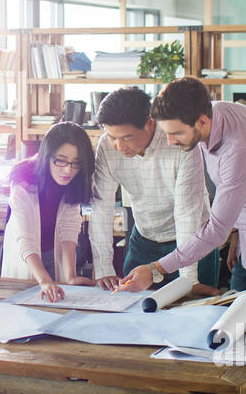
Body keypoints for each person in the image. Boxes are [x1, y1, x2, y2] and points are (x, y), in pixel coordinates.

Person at [119, 78, 246, 293]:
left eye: (176, 133)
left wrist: (156, 269)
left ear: (202, 121)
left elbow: (215, 232)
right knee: (234, 317)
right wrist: (238, 232)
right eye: (167, 132)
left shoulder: (237, 150)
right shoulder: (215, 111)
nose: (170, 141)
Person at [89, 87, 219, 294]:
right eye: (112, 136)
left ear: (149, 123)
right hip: (144, 240)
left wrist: (188, 280)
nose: (119, 146)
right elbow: (101, 207)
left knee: (193, 312)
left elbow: (186, 214)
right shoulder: (106, 146)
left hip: (192, 240)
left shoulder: (179, 142)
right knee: (132, 312)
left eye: (127, 137)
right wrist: (103, 266)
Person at [1, 121, 95, 301]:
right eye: (61, 161)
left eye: (76, 163)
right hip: (26, 256)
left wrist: (70, 276)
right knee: (25, 308)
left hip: (53, 251)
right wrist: (44, 280)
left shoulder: (74, 180)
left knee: (56, 304)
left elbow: (69, 226)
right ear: (46, 155)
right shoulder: (24, 178)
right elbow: (26, 239)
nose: (68, 170)